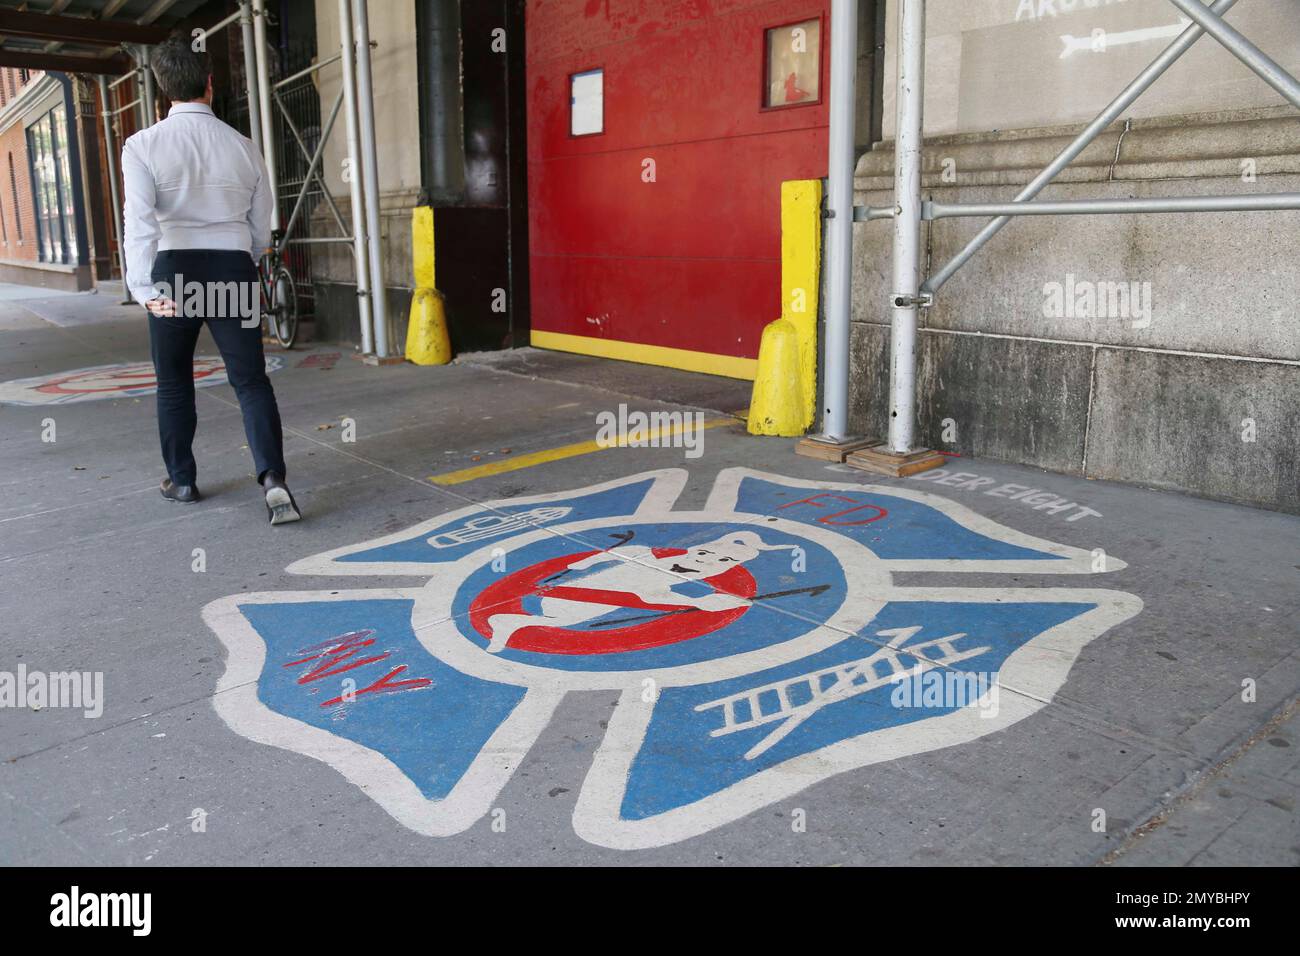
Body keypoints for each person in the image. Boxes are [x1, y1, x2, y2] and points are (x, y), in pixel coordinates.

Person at [121, 32, 301, 525]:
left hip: (174, 270)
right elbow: (261, 217)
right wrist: (250, 256)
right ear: (210, 84)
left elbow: (138, 221)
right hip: (231, 270)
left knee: (174, 381)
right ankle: (272, 479)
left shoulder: (141, 146)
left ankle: (181, 480)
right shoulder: (244, 146)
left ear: (163, 88)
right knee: (250, 381)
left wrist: (143, 289)